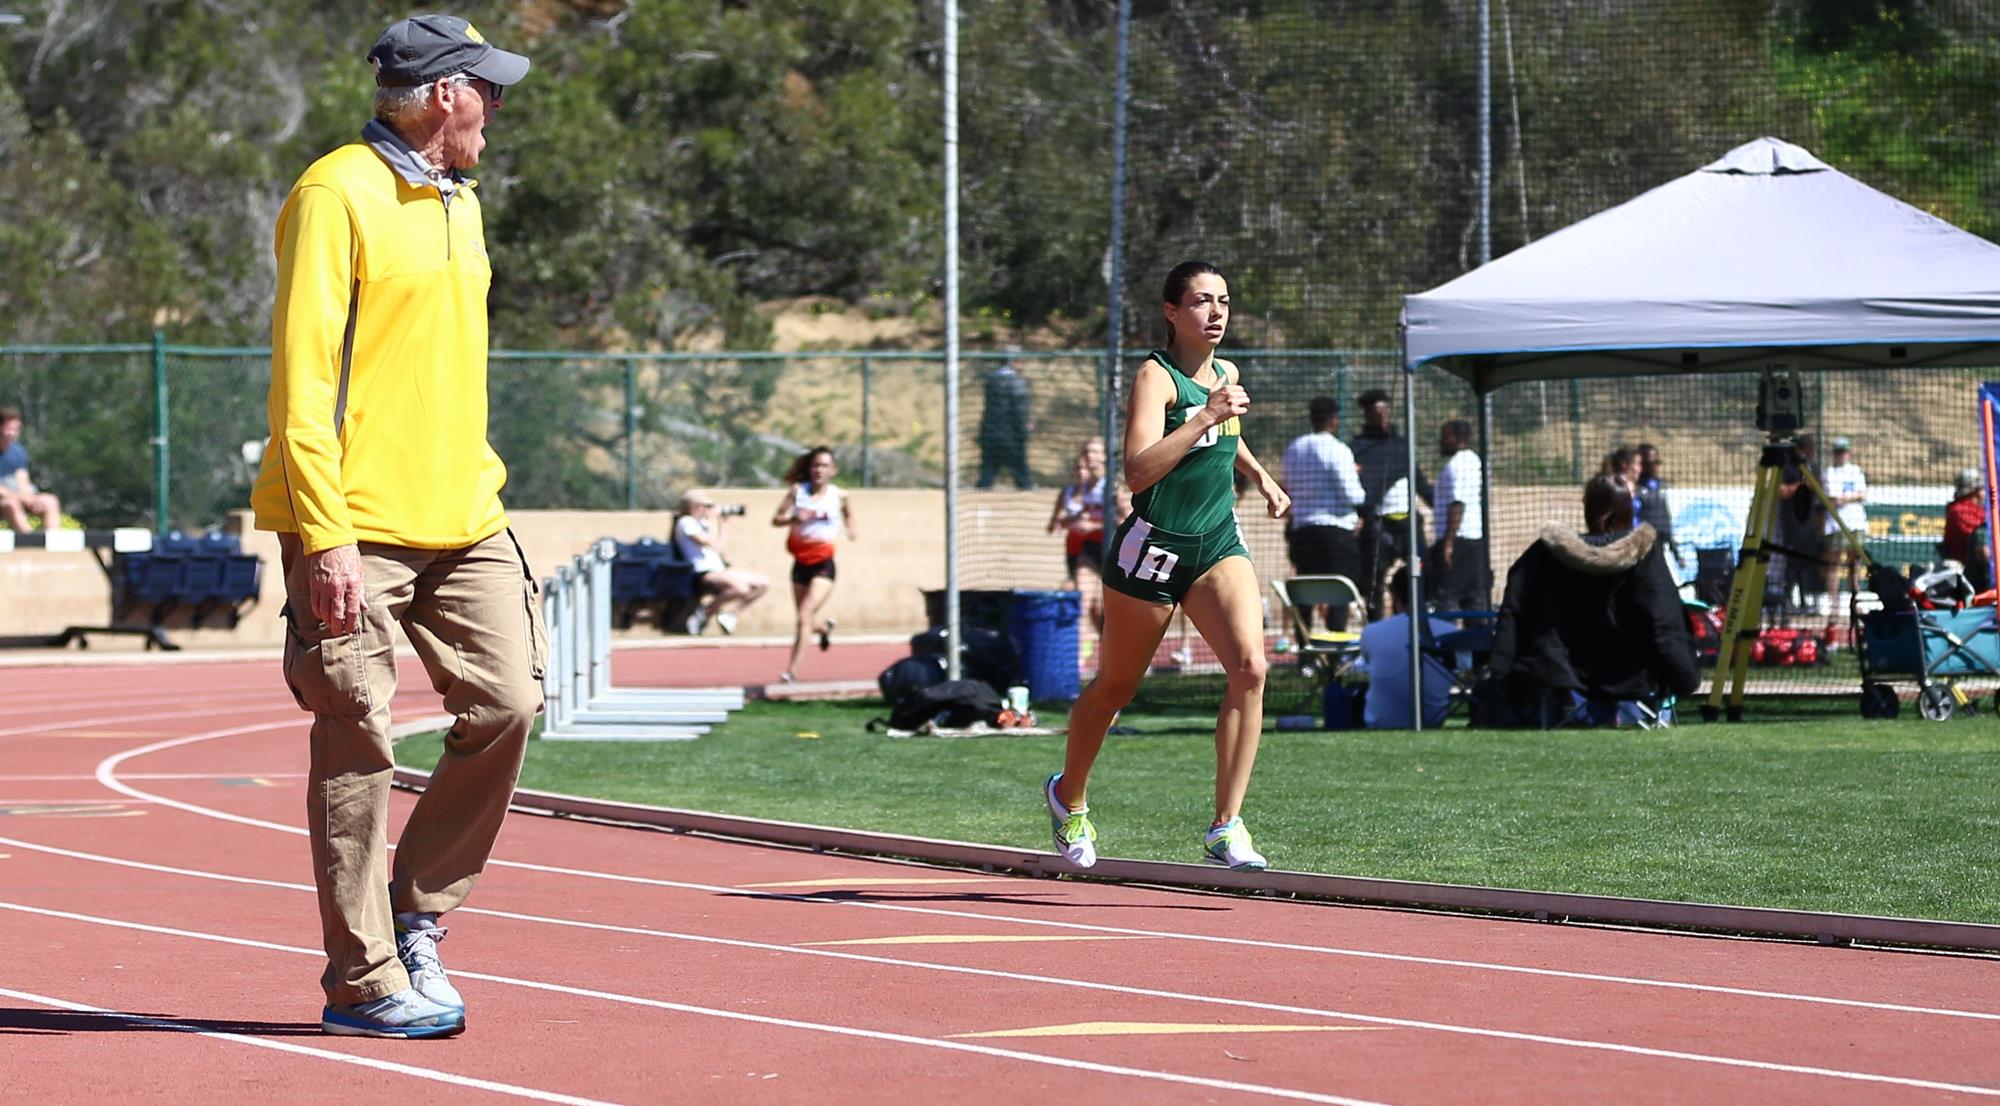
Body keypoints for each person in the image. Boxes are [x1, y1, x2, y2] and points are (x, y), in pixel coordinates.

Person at [249, 14, 534, 1041]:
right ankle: (362, 978)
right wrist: (322, 534)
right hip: (354, 521)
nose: (496, 108)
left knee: (509, 702)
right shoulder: (337, 193)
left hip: (465, 511)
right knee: (357, 738)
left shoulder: (459, 200)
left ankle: (415, 909)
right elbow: (302, 382)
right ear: (442, 94)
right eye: (486, 91)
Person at [1043, 260, 1291, 873]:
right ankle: (1067, 797)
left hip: (1215, 543)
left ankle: (1225, 828)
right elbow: (1138, 471)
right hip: (1153, 549)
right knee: (1117, 687)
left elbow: (1228, 436)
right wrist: (1206, 414)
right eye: (1202, 301)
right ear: (1172, 312)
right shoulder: (1157, 378)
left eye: (1225, 302)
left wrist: (1259, 477)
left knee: (1251, 668)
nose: (1216, 313)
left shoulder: (1227, 372)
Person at [1489, 474, 1700, 724]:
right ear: (1626, 509)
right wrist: (1684, 676)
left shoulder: (1544, 555)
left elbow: (1514, 608)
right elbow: (1664, 620)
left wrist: (1499, 670)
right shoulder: (1645, 558)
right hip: (1633, 672)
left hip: (1559, 671)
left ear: (1588, 508)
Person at [1280, 396, 1366, 630]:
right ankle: (1335, 648)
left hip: (1302, 529)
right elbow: (1352, 494)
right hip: (1335, 530)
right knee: (1340, 590)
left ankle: (1305, 654)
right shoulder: (1338, 449)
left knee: (1306, 589)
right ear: (1334, 420)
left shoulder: (1293, 448)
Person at [772, 445, 855, 683]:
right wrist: (794, 518)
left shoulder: (839, 496)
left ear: (833, 470)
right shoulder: (797, 492)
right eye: (816, 465)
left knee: (804, 614)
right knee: (805, 618)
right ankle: (824, 629)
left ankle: (791, 671)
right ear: (809, 468)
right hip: (800, 563)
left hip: (824, 564)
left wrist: (851, 528)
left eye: (825, 466)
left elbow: (849, 513)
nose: (819, 470)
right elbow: (776, 519)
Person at [1350, 388, 1432, 620]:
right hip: (1378, 527)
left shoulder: (1401, 445)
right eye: (1377, 412)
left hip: (1408, 525)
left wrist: (1438, 503)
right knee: (1374, 581)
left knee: (1421, 572)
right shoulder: (1359, 448)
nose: (1382, 416)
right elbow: (1361, 490)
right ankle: (1377, 623)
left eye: (1385, 410)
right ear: (1367, 414)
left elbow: (1420, 482)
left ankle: (1420, 620)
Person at [1354, 565, 1457, 729]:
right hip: (1433, 720)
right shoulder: (1449, 631)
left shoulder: (1371, 632)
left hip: (1380, 721)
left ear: (1395, 595)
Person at [672, 491, 769, 635]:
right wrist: (712, 521)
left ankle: (731, 615)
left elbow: (718, 547)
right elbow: (708, 542)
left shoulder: (703, 523)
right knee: (741, 588)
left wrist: (723, 524)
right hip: (702, 571)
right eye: (703, 506)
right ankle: (705, 612)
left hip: (720, 570)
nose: (706, 509)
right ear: (694, 506)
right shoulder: (686, 522)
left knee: (762, 584)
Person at [1426, 418, 1489, 613]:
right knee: (1474, 597)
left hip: (1459, 541)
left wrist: (1448, 543)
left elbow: (1457, 504)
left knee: (1446, 597)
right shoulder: (1472, 459)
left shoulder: (1458, 465)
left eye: (1444, 437)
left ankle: (1446, 638)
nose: (1441, 442)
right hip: (1473, 540)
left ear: (1455, 438)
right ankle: (1477, 638)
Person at [1046, 438, 1109, 631]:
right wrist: (1073, 521)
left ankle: (1113, 650)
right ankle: (1077, 653)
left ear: (1104, 457)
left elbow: (1125, 518)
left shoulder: (1110, 487)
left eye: (1095, 452)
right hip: (1082, 551)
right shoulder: (1075, 491)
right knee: (1080, 599)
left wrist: (1093, 526)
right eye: (1087, 452)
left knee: (1099, 609)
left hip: (1110, 550)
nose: (1090, 457)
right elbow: (1055, 525)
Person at [1777, 433, 1826, 616]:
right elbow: (1780, 490)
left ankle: (1807, 600)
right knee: (1793, 561)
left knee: (1808, 561)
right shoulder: (1787, 464)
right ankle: (1788, 600)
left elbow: (1818, 486)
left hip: (1809, 521)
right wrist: (1801, 487)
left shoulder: (1812, 465)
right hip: (1792, 519)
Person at [1820, 437, 1868, 612]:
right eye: (1838, 452)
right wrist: (1851, 496)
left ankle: (1856, 602)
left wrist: (1847, 497)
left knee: (1854, 564)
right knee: (1833, 565)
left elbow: (1863, 494)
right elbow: (1833, 498)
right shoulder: (1829, 472)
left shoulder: (1855, 471)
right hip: (1836, 524)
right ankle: (1834, 605)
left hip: (1856, 523)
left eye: (1844, 452)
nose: (1841, 455)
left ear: (1848, 453)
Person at [0, 406, 63, 533]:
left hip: (17, 497)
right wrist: (19, 497)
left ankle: (53, 544)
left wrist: (28, 498)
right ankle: (28, 542)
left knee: (50, 501)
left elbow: (22, 479)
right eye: (9, 429)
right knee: (11, 505)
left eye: (16, 429)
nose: (13, 433)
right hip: (7, 501)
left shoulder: (18, 452)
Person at [976, 356, 1033, 489]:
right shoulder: (1017, 382)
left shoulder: (991, 379)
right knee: (1021, 472)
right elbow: (1019, 409)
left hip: (990, 432)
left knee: (988, 470)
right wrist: (1024, 428)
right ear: (1013, 361)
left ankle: (981, 495)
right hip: (1011, 435)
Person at [1943, 467, 1990, 593]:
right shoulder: (1959, 510)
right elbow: (1982, 538)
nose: (1984, 492)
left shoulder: (1982, 510)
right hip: (1967, 574)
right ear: (1975, 491)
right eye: (1982, 488)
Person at [1635, 443, 1677, 566]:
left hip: (1663, 542)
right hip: (1644, 545)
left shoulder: (1661, 485)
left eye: (1657, 462)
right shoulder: (1635, 489)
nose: (1654, 467)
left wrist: (1674, 548)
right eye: (1650, 463)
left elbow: (1666, 515)